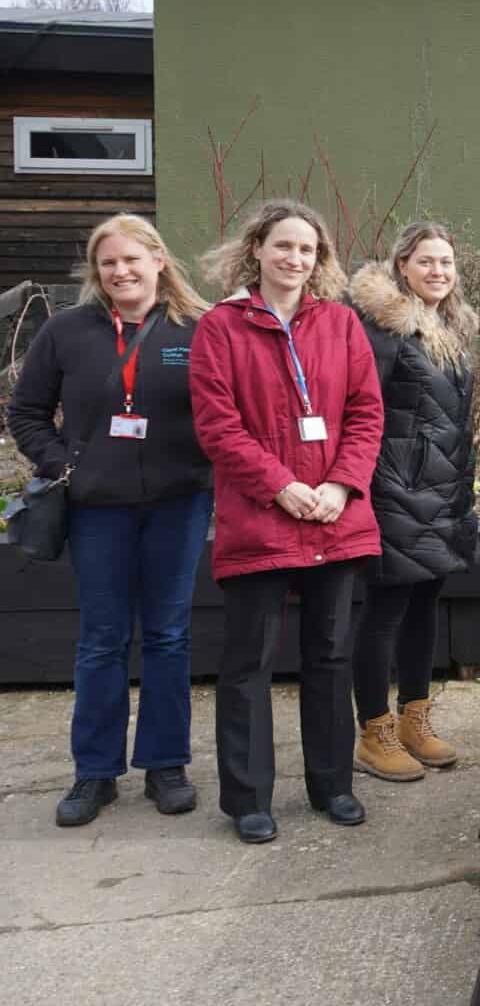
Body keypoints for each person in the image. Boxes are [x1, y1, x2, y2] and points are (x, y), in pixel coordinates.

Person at [7, 215, 214, 828]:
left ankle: (166, 765)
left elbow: (227, 412)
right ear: (96, 273)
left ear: (158, 260)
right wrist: (64, 461)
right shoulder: (68, 331)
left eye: (131, 260)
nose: (120, 272)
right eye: (107, 263)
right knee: (101, 638)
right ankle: (94, 773)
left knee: (169, 635)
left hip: (178, 504)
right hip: (97, 508)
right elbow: (26, 413)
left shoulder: (196, 331)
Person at [190, 200, 386, 844]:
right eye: (283, 246)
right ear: (257, 249)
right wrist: (281, 487)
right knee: (249, 662)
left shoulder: (341, 324)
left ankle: (332, 785)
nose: (294, 258)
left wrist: (340, 483)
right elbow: (218, 425)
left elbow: (366, 412)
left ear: (320, 259)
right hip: (260, 518)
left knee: (330, 656)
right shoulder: (220, 327)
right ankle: (248, 797)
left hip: (334, 516)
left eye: (307, 249)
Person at [345, 223, 479, 782]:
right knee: (385, 612)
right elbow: (359, 410)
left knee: (425, 608)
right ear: (402, 266)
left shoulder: (450, 326)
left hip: (442, 491)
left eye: (446, 263)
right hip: (394, 491)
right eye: (426, 262)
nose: (438, 273)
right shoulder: (380, 329)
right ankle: (373, 732)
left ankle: (413, 721)